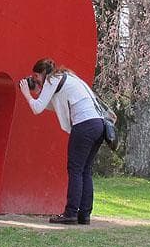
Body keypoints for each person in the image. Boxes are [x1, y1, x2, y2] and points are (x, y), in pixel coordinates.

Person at [19, 58, 105, 225]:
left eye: (35, 77)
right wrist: (37, 93)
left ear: (41, 73)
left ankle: (71, 213)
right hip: (98, 124)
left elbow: (36, 108)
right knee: (85, 170)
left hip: (84, 125)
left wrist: (26, 93)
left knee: (75, 170)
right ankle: (84, 215)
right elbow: (50, 105)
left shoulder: (52, 79)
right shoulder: (66, 77)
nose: (35, 80)